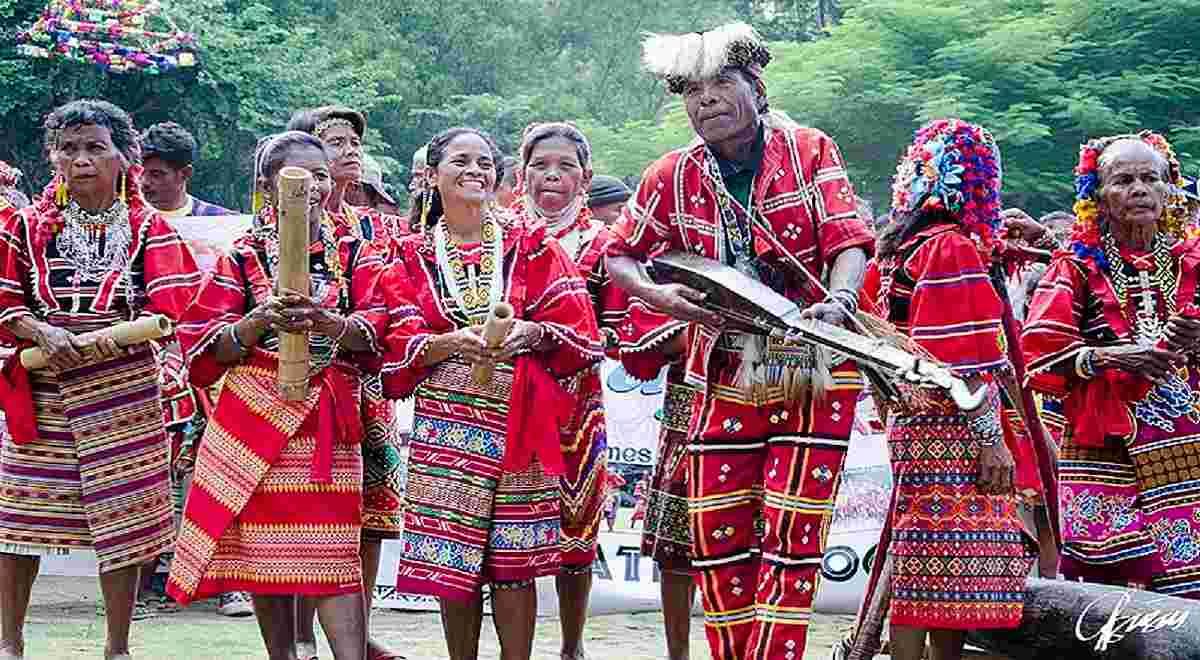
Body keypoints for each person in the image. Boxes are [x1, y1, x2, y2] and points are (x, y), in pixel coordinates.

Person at [605, 22, 873, 660]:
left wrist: (839, 302)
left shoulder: (809, 149)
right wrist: (658, 296)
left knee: (791, 530)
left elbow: (849, 240)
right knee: (718, 534)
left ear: (757, 86)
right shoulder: (671, 173)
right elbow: (620, 254)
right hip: (720, 362)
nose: (706, 100)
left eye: (721, 83)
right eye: (692, 92)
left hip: (805, 354)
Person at [379, 126, 602, 660]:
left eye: (485, 162)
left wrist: (534, 332)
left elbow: (580, 331)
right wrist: (446, 343)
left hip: (518, 417)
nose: (475, 170)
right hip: (447, 422)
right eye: (460, 161)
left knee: (513, 564)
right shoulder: (409, 254)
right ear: (432, 176)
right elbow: (396, 341)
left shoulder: (531, 245)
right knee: (452, 560)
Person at [165, 131, 388, 660]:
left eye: (320, 176)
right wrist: (256, 322)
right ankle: (282, 655)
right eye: (296, 177)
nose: (311, 187)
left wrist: (329, 323)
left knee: (334, 553)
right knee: (266, 556)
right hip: (253, 422)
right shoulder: (243, 256)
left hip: (328, 422)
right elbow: (203, 347)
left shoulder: (355, 252)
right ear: (268, 187)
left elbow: (381, 329)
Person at [0, 99, 203, 660]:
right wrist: (41, 332)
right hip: (44, 384)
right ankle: (9, 644)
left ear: (124, 159)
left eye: (95, 147)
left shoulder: (148, 228)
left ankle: (118, 647)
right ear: (52, 158)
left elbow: (175, 307)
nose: (81, 160)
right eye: (69, 148)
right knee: (17, 518)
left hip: (123, 389)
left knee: (126, 520)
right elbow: (5, 300)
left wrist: (115, 337)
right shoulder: (25, 227)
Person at [858, 119, 1041, 660]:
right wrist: (991, 440)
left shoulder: (897, 248)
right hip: (952, 428)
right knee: (945, 572)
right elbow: (962, 362)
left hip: (912, 423)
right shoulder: (949, 248)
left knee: (927, 566)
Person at [1022, 131, 1200, 597]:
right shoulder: (1075, 267)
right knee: (1112, 588)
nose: (1139, 189)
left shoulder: (1192, 263)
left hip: (1186, 449)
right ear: (1098, 197)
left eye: (1150, 178)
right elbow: (1039, 355)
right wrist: (1112, 357)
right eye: (1123, 180)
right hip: (1103, 446)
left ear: (1168, 190)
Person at [287, 106, 408, 660]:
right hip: (299, 387)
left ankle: (359, 632)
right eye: (334, 142)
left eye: (353, 140)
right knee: (303, 513)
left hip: (367, 387)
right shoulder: (282, 229)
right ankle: (301, 635)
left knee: (371, 513)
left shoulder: (379, 226)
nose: (349, 150)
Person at [509, 121, 617, 660]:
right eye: (540, 166)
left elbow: (617, 326)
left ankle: (572, 648)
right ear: (521, 174)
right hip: (504, 401)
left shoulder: (606, 245)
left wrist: (567, 336)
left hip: (577, 405)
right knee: (510, 529)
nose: (552, 176)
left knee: (578, 526)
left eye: (565, 166)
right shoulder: (498, 236)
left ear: (586, 178)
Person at [138, 119, 254, 619]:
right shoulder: (126, 223)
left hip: (212, 367)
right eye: (142, 171)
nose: (146, 182)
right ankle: (143, 581)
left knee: (223, 471)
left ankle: (231, 582)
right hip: (148, 365)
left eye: (158, 174)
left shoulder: (223, 225)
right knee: (149, 472)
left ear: (184, 174)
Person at [140, 121, 235, 218]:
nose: (144, 182)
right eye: (139, 173)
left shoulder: (221, 220)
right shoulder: (131, 220)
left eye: (156, 175)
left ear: (185, 173)